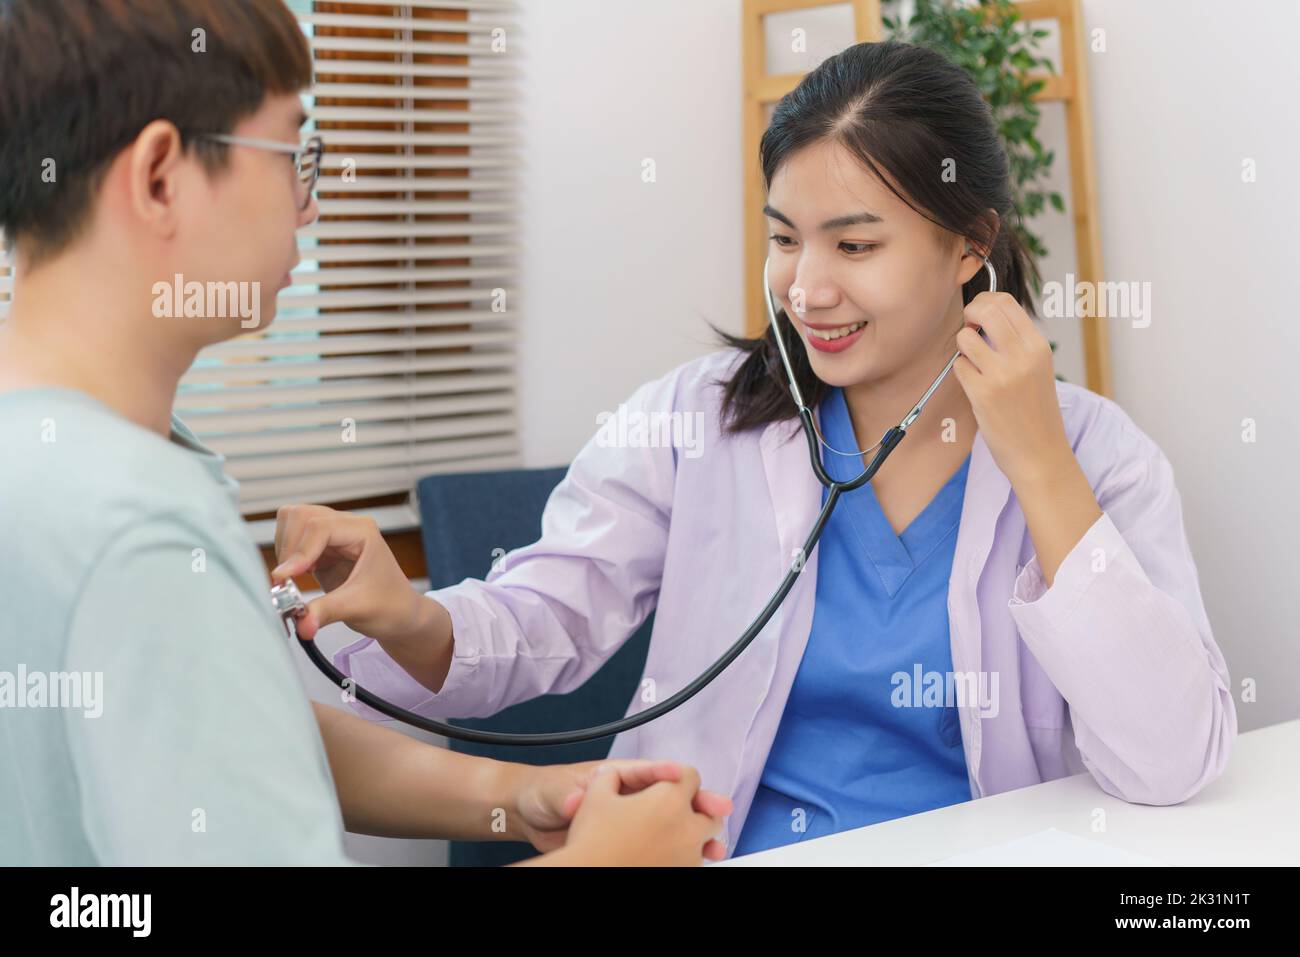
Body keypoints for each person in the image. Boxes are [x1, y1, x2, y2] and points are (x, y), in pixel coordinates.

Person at [276, 40, 1237, 859]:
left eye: (855, 247)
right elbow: (547, 619)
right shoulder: (700, 421)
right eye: (786, 239)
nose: (806, 288)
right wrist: (408, 615)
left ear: (967, 247)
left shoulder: (1101, 455)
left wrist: (1040, 466)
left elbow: (1170, 758)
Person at [0, 0, 730, 866]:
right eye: (291, 155)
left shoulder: (70, 454)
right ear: (161, 175)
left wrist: (518, 796)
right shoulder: (140, 529)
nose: (307, 207)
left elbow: (240, 736)